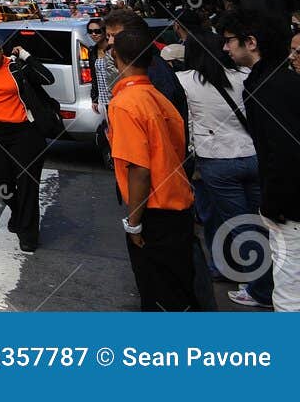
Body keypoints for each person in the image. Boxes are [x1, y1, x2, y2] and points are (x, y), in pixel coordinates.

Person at [168, 19, 270, 308]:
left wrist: (190, 161)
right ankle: (259, 275)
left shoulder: (185, 81)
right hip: (252, 154)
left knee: (235, 222)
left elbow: (185, 123)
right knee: (258, 219)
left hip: (216, 161)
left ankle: (260, 286)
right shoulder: (244, 74)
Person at [108, 23, 198, 311]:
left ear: (116, 58)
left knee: (158, 295)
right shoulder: (158, 96)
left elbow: (139, 169)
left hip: (155, 212)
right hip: (179, 203)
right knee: (180, 288)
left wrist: (134, 222)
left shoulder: (125, 103)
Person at [222, 12, 300, 312]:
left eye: (229, 41)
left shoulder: (268, 87)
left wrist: (275, 204)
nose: (226, 49)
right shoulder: (276, 80)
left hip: (290, 211)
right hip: (288, 206)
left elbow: (283, 151)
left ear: (251, 42)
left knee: (289, 297)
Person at [0, 34, 56, 252]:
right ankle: (18, 214)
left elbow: (47, 78)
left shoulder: (16, 66)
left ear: (2, 49)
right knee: (0, 179)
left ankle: (28, 235)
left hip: (24, 131)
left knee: (27, 183)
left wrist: (26, 56)